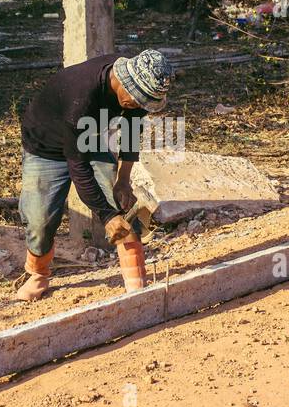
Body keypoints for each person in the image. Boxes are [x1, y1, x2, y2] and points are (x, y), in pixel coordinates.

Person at [14, 48, 173, 302]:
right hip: (45, 144)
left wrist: (122, 181)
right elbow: (79, 169)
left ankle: (137, 284)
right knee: (40, 219)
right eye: (134, 100)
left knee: (118, 202)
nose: (136, 105)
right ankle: (37, 275)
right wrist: (106, 217)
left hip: (90, 135)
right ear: (122, 81)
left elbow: (131, 133)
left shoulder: (141, 86)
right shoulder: (81, 95)